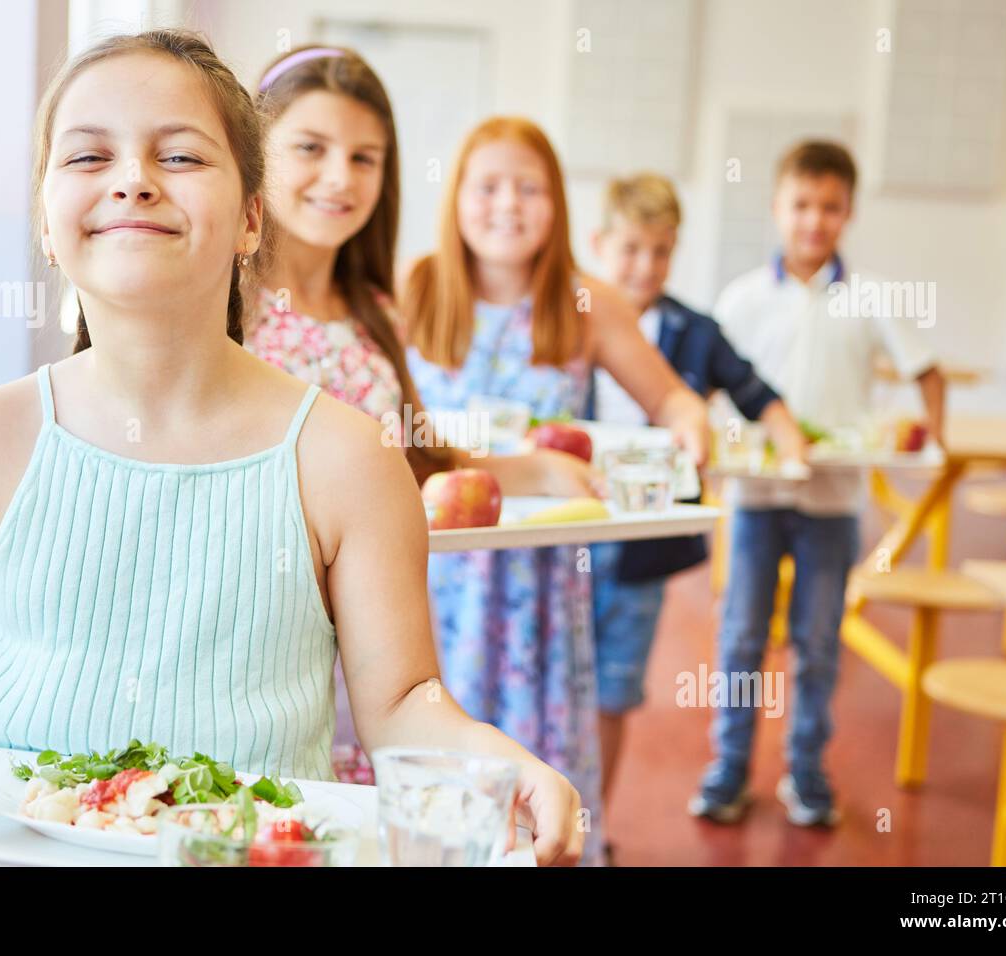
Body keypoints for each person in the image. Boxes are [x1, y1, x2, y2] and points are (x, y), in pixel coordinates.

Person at [0, 30, 583, 865]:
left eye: (180, 157)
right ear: (47, 227)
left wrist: (498, 766)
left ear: (249, 219)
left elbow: (405, 702)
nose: (133, 179)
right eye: (89, 157)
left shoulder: (346, 460)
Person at [245, 46, 601, 783]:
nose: (340, 177)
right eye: (310, 148)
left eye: (365, 157)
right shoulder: (221, 304)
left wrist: (539, 468)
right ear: (255, 151)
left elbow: (412, 462)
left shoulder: (377, 312)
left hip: (374, 656)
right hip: (255, 653)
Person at [400, 115, 712, 863]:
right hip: (433, 574)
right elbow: (388, 430)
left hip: (545, 578)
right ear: (457, 197)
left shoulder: (587, 302)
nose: (508, 204)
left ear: (558, 203)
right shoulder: (412, 289)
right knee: (439, 758)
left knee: (543, 768)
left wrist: (691, 429)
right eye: (489, 186)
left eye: (529, 188)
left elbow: (673, 401)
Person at [689, 140, 944, 827]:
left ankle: (807, 772)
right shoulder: (742, 298)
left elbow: (927, 370)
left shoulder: (870, 298)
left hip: (833, 503)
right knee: (742, 635)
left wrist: (932, 439)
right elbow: (707, 387)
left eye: (830, 207)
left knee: (819, 642)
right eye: (801, 205)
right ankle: (728, 769)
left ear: (848, 214)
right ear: (777, 207)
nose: (813, 220)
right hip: (756, 499)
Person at [586, 172, 805, 810]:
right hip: (559, 532)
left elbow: (754, 389)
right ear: (599, 244)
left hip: (640, 547)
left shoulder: (695, 330)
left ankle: (594, 826)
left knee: (614, 687)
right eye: (630, 249)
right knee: (548, 682)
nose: (645, 266)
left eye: (661, 251)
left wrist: (792, 442)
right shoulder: (568, 314)